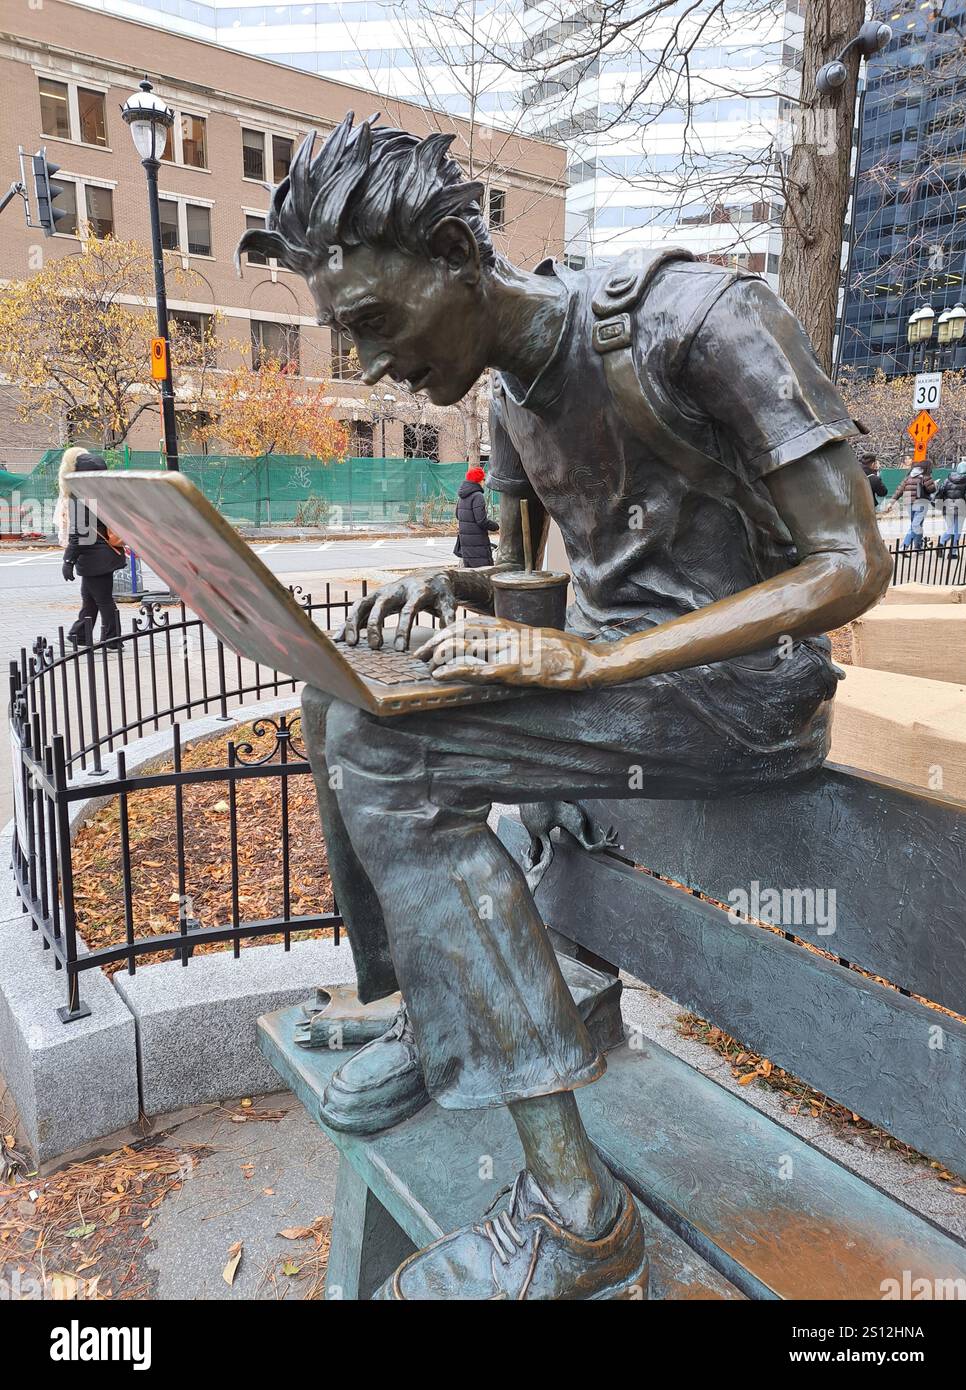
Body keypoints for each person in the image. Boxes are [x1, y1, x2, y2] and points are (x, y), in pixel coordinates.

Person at [237, 116, 891, 1301]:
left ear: (455, 253)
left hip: (741, 702)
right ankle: (431, 1014)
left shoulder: (698, 321)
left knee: (389, 753)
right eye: (349, 336)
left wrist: (594, 663)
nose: (370, 365)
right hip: (624, 692)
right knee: (338, 695)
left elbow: (849, 566)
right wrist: (455, 588)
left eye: (374, 322)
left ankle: (578, 1217)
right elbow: (543, 585)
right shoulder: (508, 394)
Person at [61, 451, 126, 649]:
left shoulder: (79, 494)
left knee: (103, 600)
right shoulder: (105, 491)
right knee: (90, 598)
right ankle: (80, 635)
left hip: (94, 556)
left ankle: (112, 640)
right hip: (104, 553)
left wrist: (68, 560)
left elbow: (79, 533)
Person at [453, 464, 498, 566]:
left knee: (470, 573)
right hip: (478, 545)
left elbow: (458, 515)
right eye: (483, 479)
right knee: (483, 572)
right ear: (479, 481)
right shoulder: (478, 496)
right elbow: (481, 521)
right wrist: (496, 526)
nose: (484, 482)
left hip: (466, 545)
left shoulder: (462, 496)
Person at [891, 461, 936, 550]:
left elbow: (899, 490)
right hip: (921, 503)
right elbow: (931, 489)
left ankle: (918, 547)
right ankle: (903, 547)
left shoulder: (908, 477)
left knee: (917, 525)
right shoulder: (925, 477)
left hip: (908, 503)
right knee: (915, 526)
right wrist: (935, 484)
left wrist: (891, 502)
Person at [934, 459, 966, 555]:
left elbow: (940, 492)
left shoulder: (947, 480)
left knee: (950, 529)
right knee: (957, 530)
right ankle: (953, 552)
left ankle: (941, 544)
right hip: (961, 509)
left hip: (947, 508)